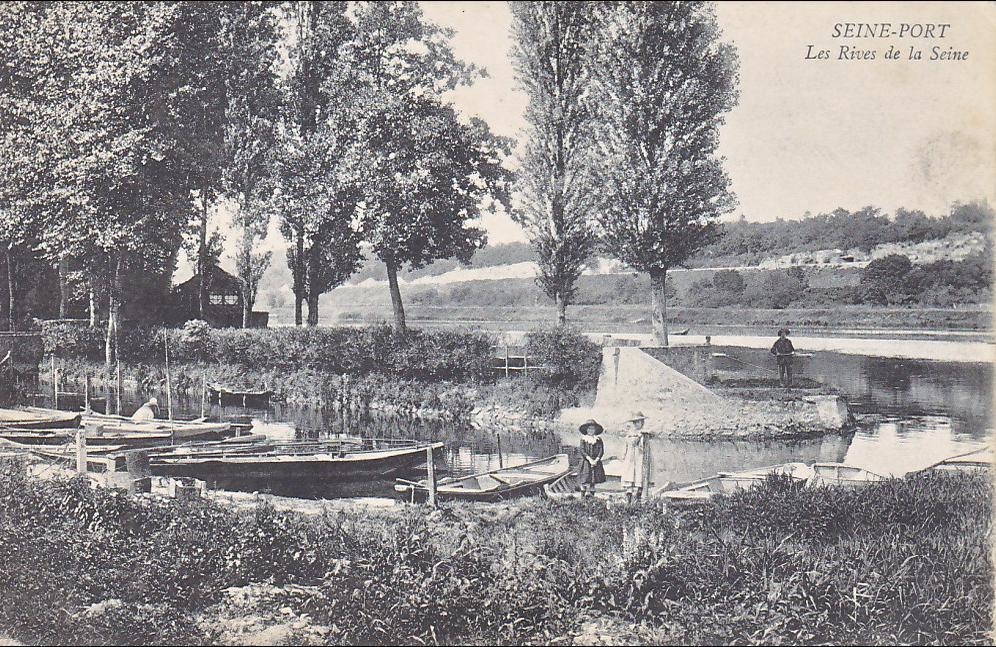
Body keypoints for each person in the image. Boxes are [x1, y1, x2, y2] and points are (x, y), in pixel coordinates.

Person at [619, 411, 649, 504]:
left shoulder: (644, 434)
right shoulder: (630, 434)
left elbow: (645, 447)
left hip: (640, 457)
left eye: (639, 422)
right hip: (631, 458)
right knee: (630, 474)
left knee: (639, 475)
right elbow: (628, 445)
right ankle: (628, 497)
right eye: (635, 422)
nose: (637, 424)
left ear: (642, 423)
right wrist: (623, 456)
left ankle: (638, 498)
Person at [576, 419, 606, 498]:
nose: (590, 430)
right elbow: (582, 450)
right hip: (586, 462)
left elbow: (601, 451)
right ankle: (582, 497)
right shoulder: (583, 439)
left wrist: (596, 460)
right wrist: (589, 459)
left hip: (596, 462)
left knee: (593, 480)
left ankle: (592, 497)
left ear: (595, 430)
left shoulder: (598, 440)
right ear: (586, 430)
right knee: (584, 479)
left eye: (592, 429)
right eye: (589, 428)